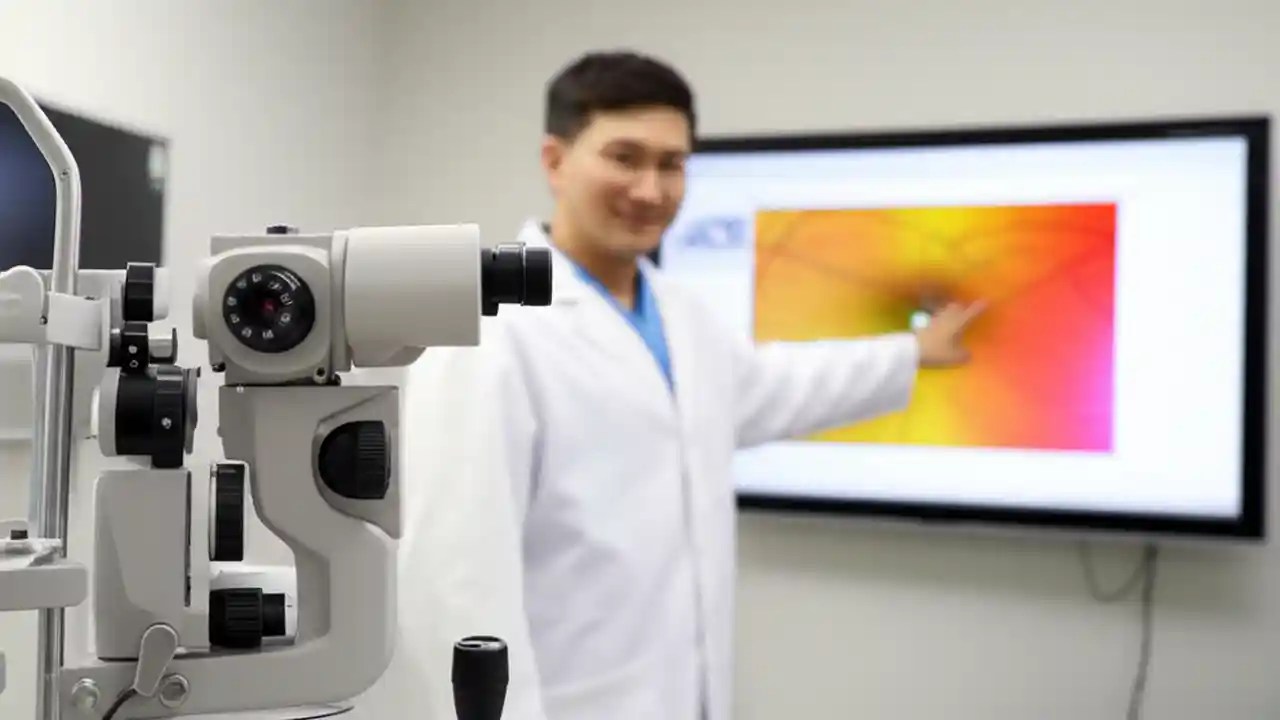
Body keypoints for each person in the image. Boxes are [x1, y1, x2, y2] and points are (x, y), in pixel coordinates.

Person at [354, 50, 983, 720]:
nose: (651, 190)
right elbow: (454, 578)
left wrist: (912, 352)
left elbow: (775, 387)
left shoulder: (683, 316)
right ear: (555, 160)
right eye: (624, 158)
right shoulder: (486, 331)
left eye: (671, 164)